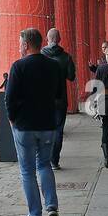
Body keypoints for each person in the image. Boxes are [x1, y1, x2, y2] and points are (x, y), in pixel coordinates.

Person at [4, 27, 64, 216]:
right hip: (47, 124)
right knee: (44, 164)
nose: (19, 46)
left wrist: (12, 119)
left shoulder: (18, 67)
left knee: (27, 171)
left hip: (25, 125)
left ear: (27, 44)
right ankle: (52, 205)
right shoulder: (54, 66)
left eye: (20, 43)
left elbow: (9, 98)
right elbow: (59, 95)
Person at [41, 27, 76, 169]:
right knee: (58, 130)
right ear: (59, 39)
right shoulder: (66, 57)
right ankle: (54, 160)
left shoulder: (41, 56)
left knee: (43, 128)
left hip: (43, 99)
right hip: (60, 99)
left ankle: (43, 158)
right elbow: (71, 76)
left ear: (47, 39)